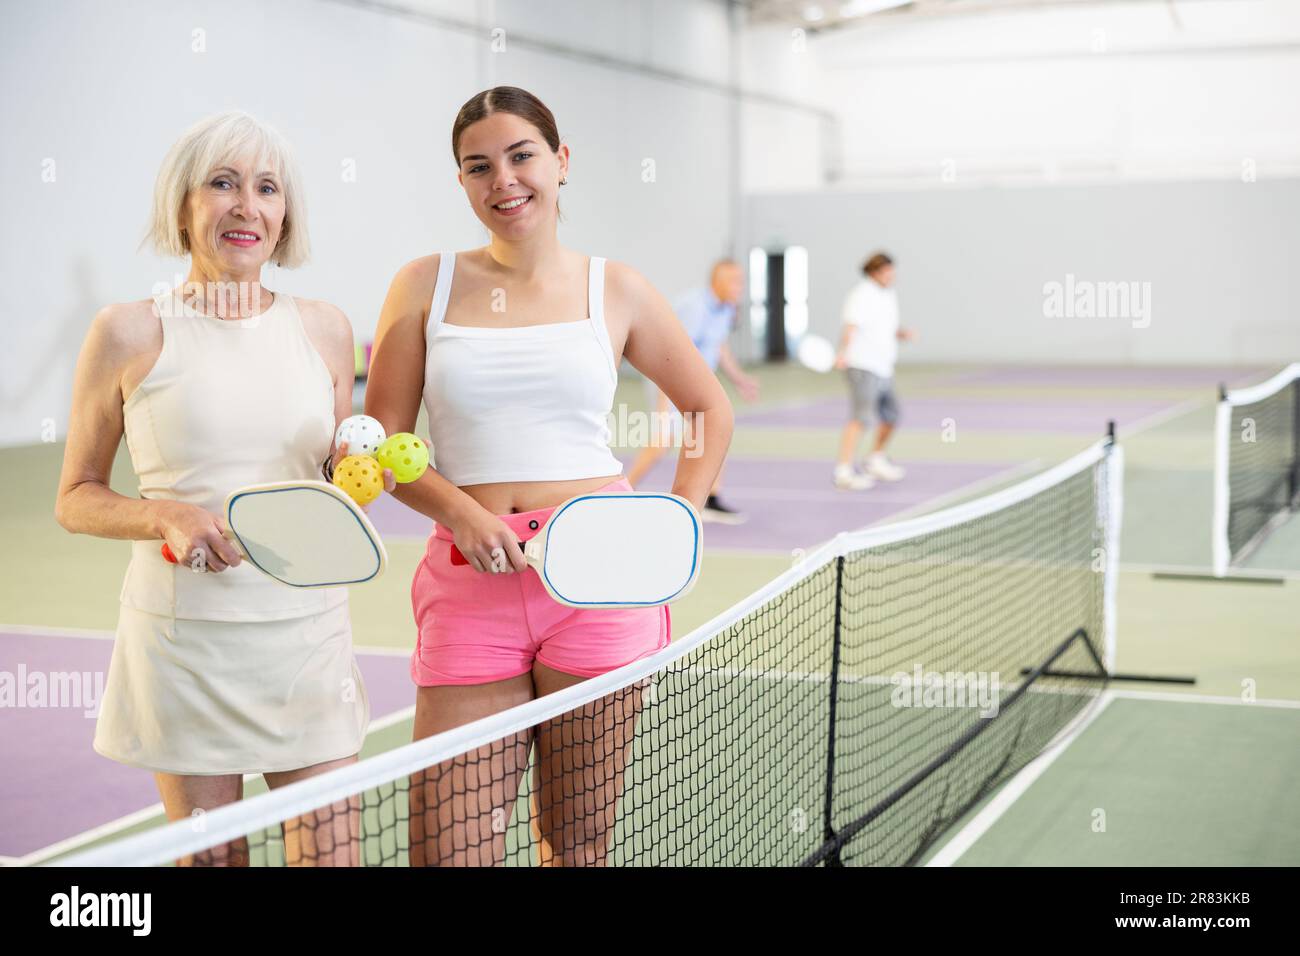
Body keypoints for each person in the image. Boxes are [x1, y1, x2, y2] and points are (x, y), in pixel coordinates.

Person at [363, 86, 733, 866]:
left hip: (601, 587)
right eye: (478, 166)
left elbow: (707, 409)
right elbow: (382, 445)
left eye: (522, 155)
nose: (504, 180)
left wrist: (677, 523)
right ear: (461, 183)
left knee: (575, 844)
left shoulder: (618, 288)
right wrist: (459, 513)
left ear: (560, 162)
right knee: (447, 848)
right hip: (470, 587)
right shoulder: (420, 285)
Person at [54, 111, 391, 866]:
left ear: (285, 215)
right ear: (184, 205)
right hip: (187, 644)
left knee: (331, 857)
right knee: (210, 863)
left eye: (267, 188)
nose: (247, 205)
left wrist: (357, 473)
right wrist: (164, 514)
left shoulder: (327, 328)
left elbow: (332, 477)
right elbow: (75, 495)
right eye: (223, 183)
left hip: (308, 641)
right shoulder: (129, 331)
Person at [625, 259, 758, 524]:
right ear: (716, 282)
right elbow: (667, 354)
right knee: (661, 444)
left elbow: (719, 346)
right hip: (670, 380)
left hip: (698, 384)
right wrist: (665, 405)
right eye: (734, 281)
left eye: (741, 281)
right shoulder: (694, 308)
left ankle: (711, 499)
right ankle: (620, 495)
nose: (739, 287)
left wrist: (739, 379)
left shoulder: (726, 309)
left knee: (716, 435)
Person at [833, 252, 915, 490]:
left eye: (892, 270)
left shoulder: (888, 294)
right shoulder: (861, 295)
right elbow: (851, 326)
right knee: (861, 418)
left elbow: (884, 328)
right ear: (874, 272)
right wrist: (842, 352)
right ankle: (844, 471)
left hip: (884, 367)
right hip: (862, 366)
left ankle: (874, 459)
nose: (891, 275)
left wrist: (902, 334)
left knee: (892, 416)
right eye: (887, 271)